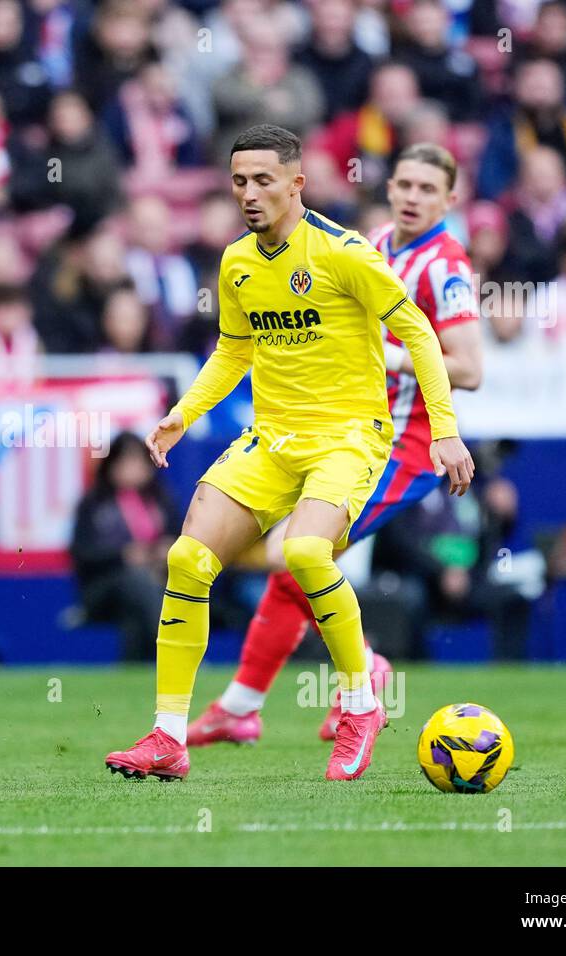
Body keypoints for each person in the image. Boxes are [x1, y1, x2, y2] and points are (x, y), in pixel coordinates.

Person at [104, 126, 474, 783]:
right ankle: (168, 737)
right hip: (271, 440)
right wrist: (182, 416)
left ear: (296, 184)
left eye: (264, 180)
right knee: (187, 558)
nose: (249, 193)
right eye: (239, 180)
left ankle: (360, 701)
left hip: (350, 437)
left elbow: (419, 331)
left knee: (302, 553)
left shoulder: (347, 252)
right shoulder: (236, 261)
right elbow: (233, 349)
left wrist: (444, 428)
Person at [190, 142, 484, 747]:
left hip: (401, 444)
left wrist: (385, 351)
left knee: (291, 556)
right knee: (294, 564)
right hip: (332, 428)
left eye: (427, 190)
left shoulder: (446, 266)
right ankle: (241, 706)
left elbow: (471, 368)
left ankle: (364, 672)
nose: (411, 197)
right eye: (404, 184)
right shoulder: (368, 244)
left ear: (450, 201)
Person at [71, 434, 180, 661]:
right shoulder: (93, 503)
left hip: (156, 581)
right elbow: (81, 553)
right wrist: (123, 556)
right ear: (111, 465)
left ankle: (138, 671)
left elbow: (180, 539)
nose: (132, 469)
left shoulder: (161, 500)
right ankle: (174, 651)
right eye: (125, 462)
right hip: (104, 587)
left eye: (138, 462)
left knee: (137, 610)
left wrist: (166, 551)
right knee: (136, 581)